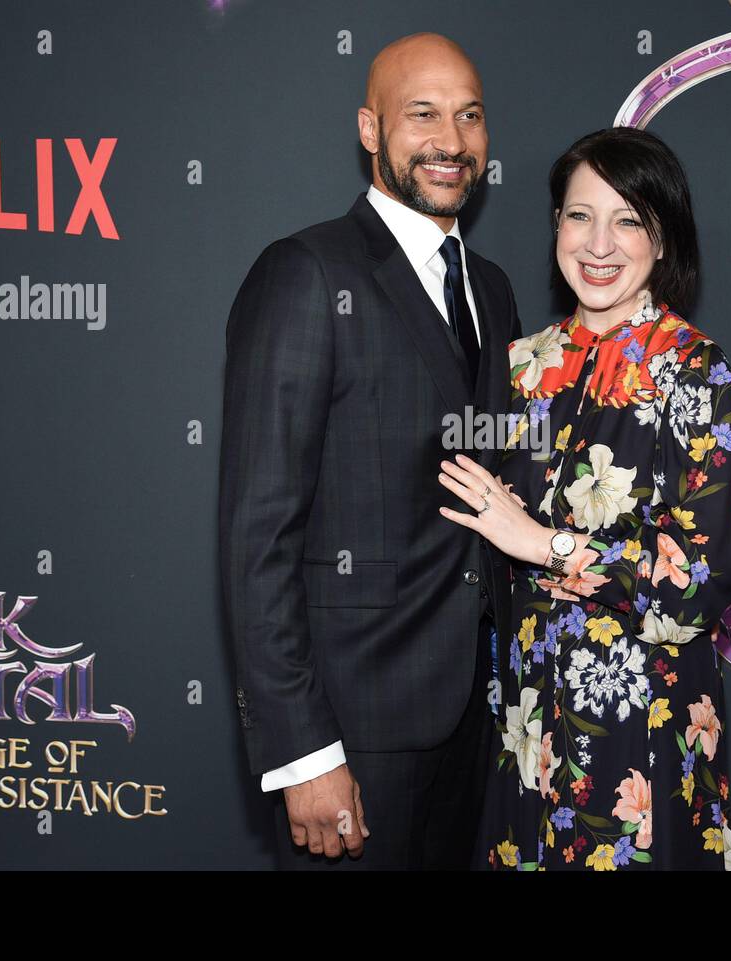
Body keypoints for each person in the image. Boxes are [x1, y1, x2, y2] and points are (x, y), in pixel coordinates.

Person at [218, 32, 521, 870]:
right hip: (352, 732)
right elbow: (259, 537)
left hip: (479, 718)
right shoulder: (306, 273)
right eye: (421, 114)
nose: (450, 141)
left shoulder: (491, 288)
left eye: (469, 116)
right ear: (369, 128)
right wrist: (305, 753)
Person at [438, 126, 731, 870]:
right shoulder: (518, 367)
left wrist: (546, 543)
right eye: (580, 215)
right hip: (521, 733)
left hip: (640, 734)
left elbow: (705, 581)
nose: (599, 243)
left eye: (629, 221)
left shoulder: (694, 371)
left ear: (662, 238)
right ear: (555, 225)